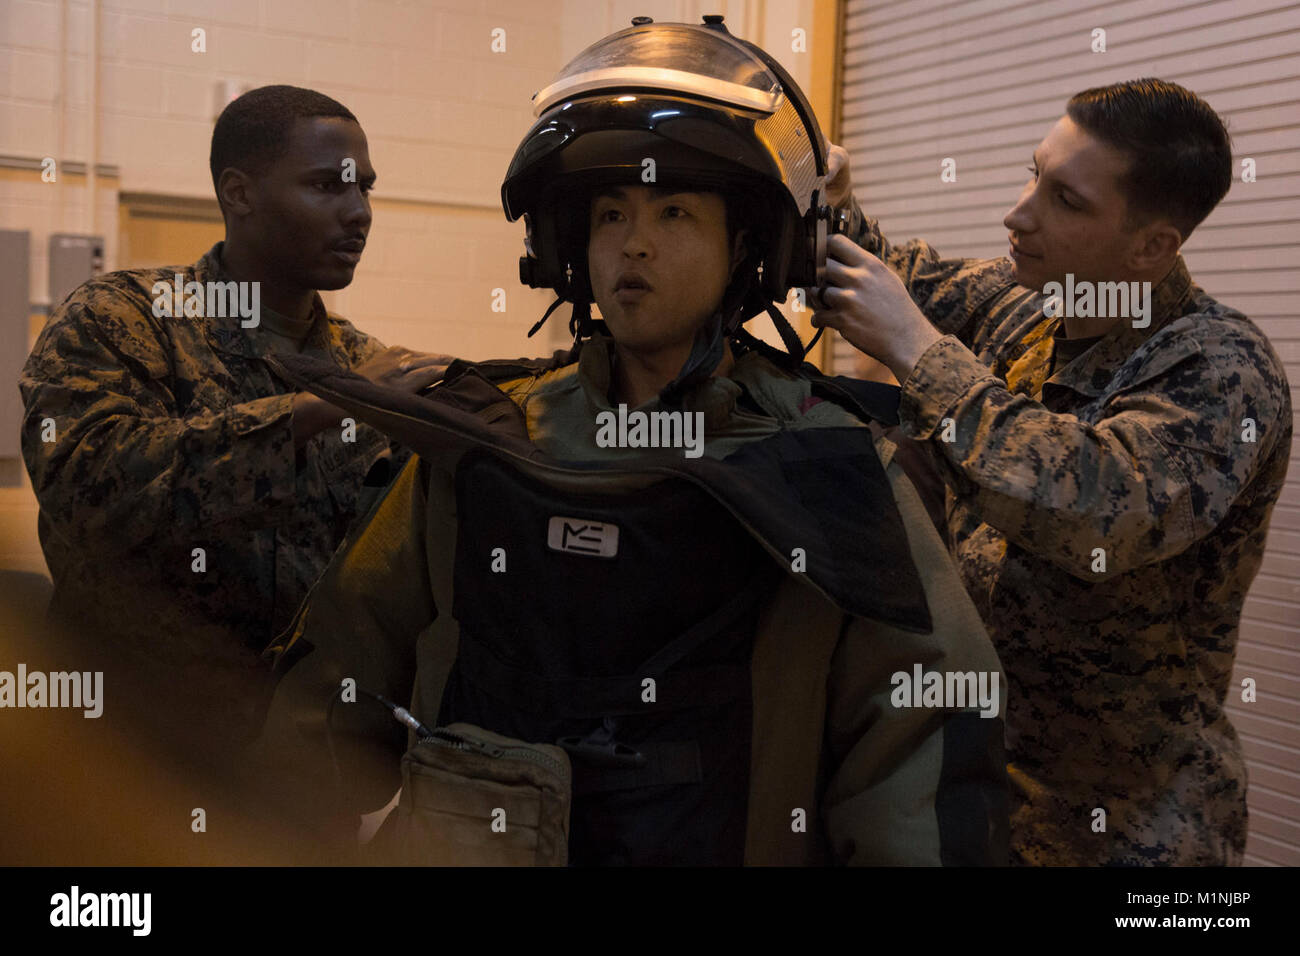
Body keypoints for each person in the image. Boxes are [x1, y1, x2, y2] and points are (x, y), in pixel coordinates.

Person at [254, 17, 1007, 866]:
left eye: (675, 211)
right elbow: (334, 684)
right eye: (612, 212)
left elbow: (918, 740)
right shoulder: (487, 441)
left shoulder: (833, 467)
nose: (634, 243)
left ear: (747, 248)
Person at [813, 79, 1292, 865]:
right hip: (981, 789)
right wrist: (828, 204)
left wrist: (921, 356)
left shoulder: (1221, 365)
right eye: (1032, 174)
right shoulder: (1029, 301)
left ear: (1151, 246)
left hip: (1135, 832)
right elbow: (891, 275)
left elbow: (1100, 503)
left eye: (1064, 199)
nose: (1019, 213)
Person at [18, 85, 450, 755]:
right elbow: (89, 491)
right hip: (127, 759)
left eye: (364, 188)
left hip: (295, 766)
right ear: (239, 193)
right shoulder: (122, 318)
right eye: (327, 187)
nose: (359, 212)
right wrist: (316, 412)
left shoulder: (364, 365)